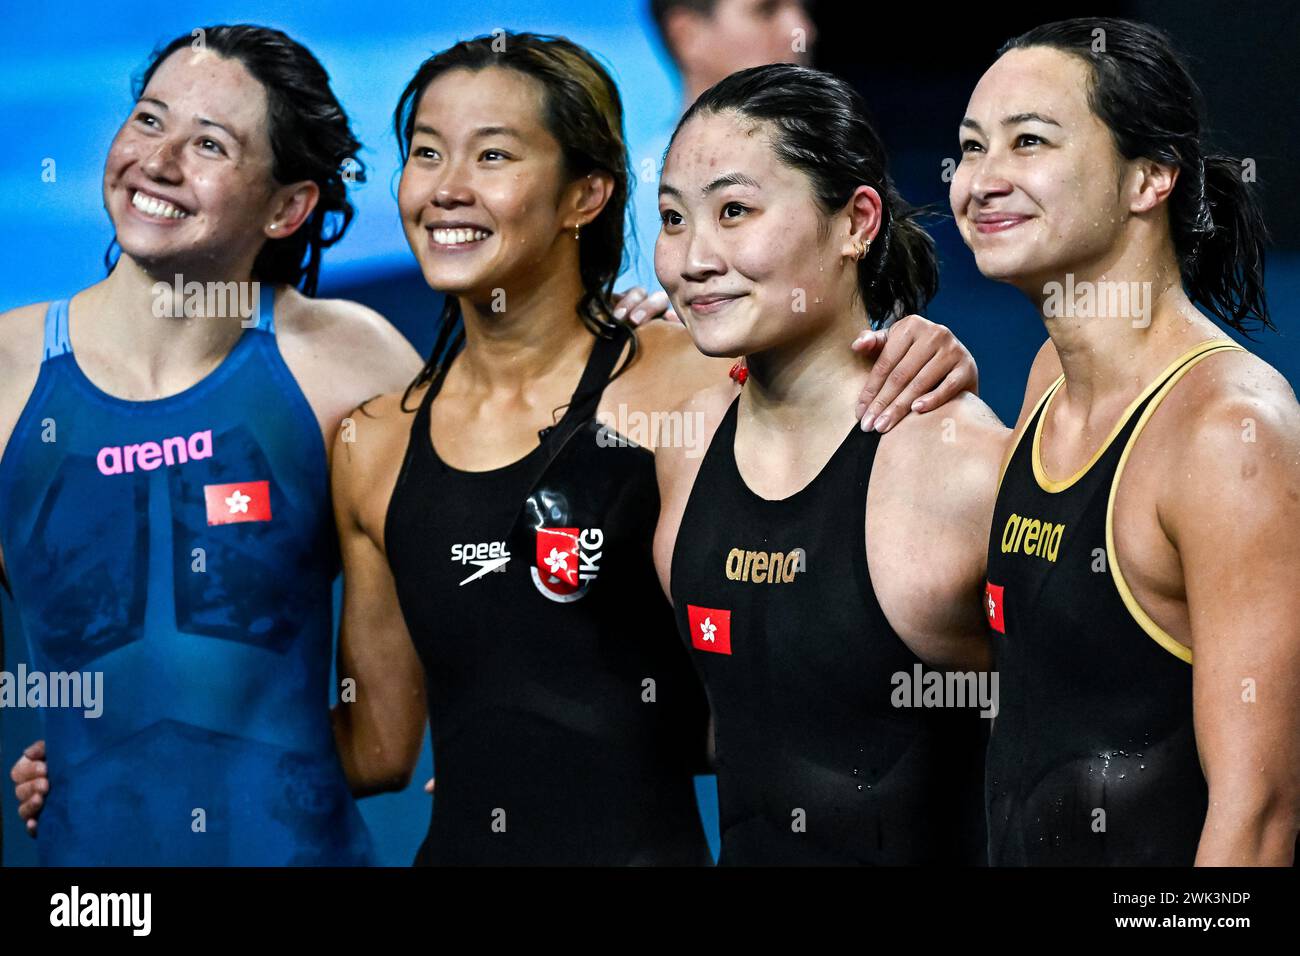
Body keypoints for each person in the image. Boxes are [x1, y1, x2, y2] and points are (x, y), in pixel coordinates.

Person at [324, 32, 980, 865]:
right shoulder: (373, 440)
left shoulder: (693, 388)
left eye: (491, 155)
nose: (448, 187)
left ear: (586, 194)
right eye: (424, 152)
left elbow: (802, 670)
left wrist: (919, 354)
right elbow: (381, 746)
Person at [1, 24, 422, 864]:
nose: (158, 162)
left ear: (287, 206)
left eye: (210, 144)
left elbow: (393, 735)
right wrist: (99, 761)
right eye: (150, 120)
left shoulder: (351, 366)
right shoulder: (8, 374)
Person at [956, 18, 1300, 865]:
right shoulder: (1047, 379)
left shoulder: (1228, 433)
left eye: (1028, 142)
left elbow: (1259, 818)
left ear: (1150, 177)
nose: (981, 182)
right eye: (970, 148)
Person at [653, 63, 1001, 865]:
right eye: (672, 219)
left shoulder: (964, 465)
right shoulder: (683, 445)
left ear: (856, 222)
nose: (693, 257)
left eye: (734, 211)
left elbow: (1103, 743)